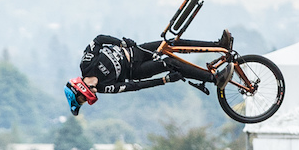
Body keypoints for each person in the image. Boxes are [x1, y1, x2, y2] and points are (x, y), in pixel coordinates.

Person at [64, 29, 234, 115]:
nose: (86, 100)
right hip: (137, 70)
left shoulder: (86, 64)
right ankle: (215, 78)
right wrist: (165, 80)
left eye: (81, 99)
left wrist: (121, 43)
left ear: (78, 88)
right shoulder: (105, 87)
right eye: (83, 102)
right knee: (170, 63)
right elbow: (135, 86)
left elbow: (99, 40)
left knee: (170, 44)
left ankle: (219, 45)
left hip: (135, 51)